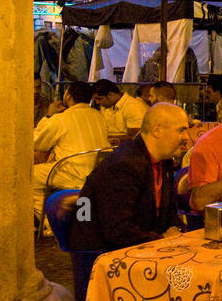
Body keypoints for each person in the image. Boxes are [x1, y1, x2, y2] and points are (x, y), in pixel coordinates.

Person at [70, 103, 188, 252]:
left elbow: (169, 213)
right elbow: (119, 230)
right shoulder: (124, 165)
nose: (186, 137)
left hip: (144, 246)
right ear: (157, 130)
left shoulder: (164, 163)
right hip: (103, 255)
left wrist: (175, 229)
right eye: (181, 130)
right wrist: (163, 240)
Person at [32, 81, 110, 221]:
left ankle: (49, 223)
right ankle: (76, 218)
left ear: (68, 96)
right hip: (98, 172)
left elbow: (39, 143)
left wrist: (49, 115)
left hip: (72, 172)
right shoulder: (98, 116)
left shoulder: (61, 118)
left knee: (29, 177)